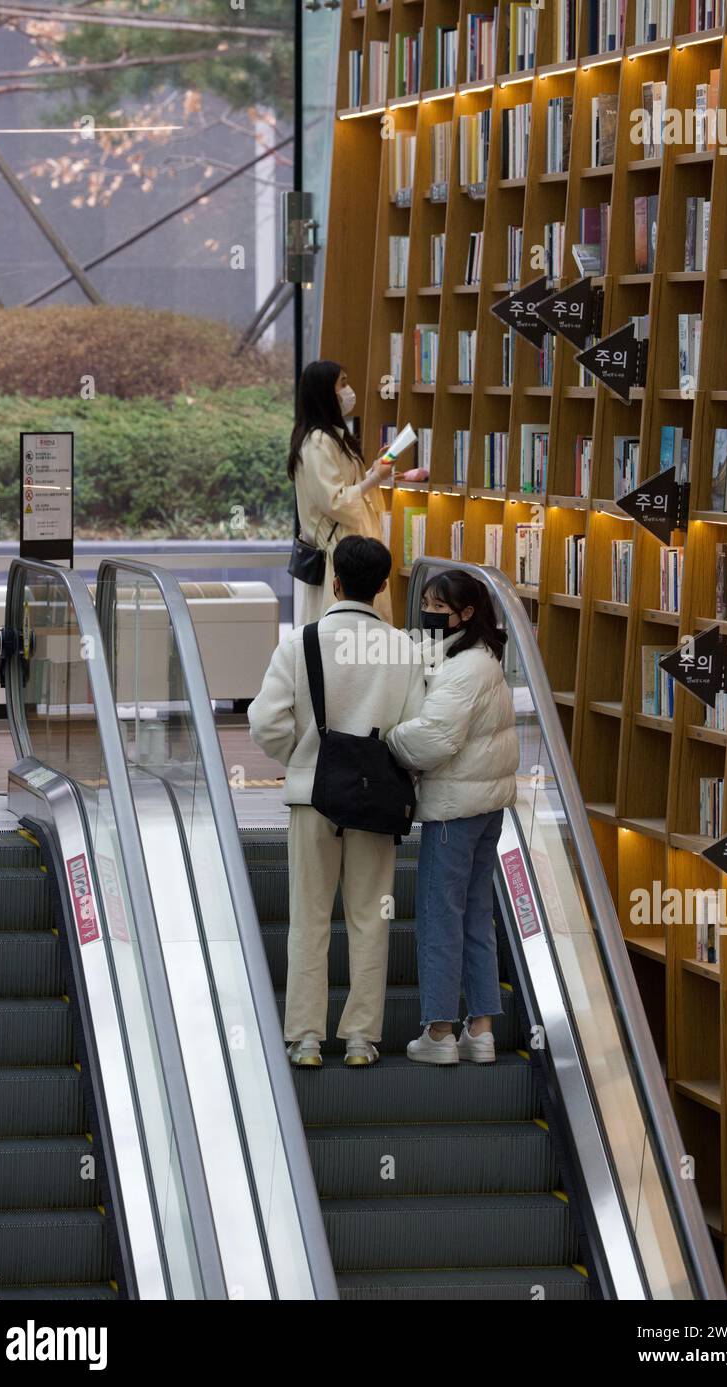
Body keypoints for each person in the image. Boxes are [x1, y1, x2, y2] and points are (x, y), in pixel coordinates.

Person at [248, 535, 425, 1067]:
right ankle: (361, 1038)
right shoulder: (404, 648)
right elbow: (417, 731)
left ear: (335, 581)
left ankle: (305, 1037)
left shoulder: (301, 642)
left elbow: (265, 722)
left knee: (309, 916)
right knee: (372, 916)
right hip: (377, 802)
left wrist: (303, 761)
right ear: (382, 586)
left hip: (311, 799)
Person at [386, 571, 519, 1065]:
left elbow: (434, 739)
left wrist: (388, 741)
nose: (429, 613)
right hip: (485, 807)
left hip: (454, 812)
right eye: (425, 603)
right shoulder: (482, 659)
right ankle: (480, 1029)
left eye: (439, 606)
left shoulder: (464, 669)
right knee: (475, 917)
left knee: (441, 917)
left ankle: (440, 1031)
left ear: (467, 613)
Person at [288, 360, 394, 625]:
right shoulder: (317, 442)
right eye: (343, 383)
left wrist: (373, 473)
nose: (349, 390)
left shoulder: (331, 437)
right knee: (345, 627)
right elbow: (335, 501)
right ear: (326, 391)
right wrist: (374, 479)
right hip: (339, 549)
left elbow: (344, 489)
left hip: (349, 546)